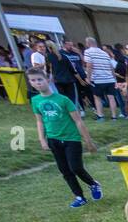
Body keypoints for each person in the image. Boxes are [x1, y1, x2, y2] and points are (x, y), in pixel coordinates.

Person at [27, 67, 100, 209]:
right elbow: (39, 121)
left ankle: (93, 184)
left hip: (71, 139)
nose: (37, 83)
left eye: (40, 79)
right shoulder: (35, 100)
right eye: (33, 80)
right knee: (65, 170)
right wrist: (42, 139)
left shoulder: (63, 99)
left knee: (76, 168)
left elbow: (78, 121)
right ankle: (79, 196)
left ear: (48, 80)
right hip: (53, 140)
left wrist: (88, 141)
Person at [82, 37, 122, 120]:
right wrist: (114, 79)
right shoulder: (104, 53)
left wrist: (88, 78)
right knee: (111, 98)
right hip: (109, 79)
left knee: (97, 97)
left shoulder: (88, 52)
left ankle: (100, 116)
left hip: (97, 79)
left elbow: (89, 65)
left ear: (88, 43)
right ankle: (114, 116)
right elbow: (111, 67)